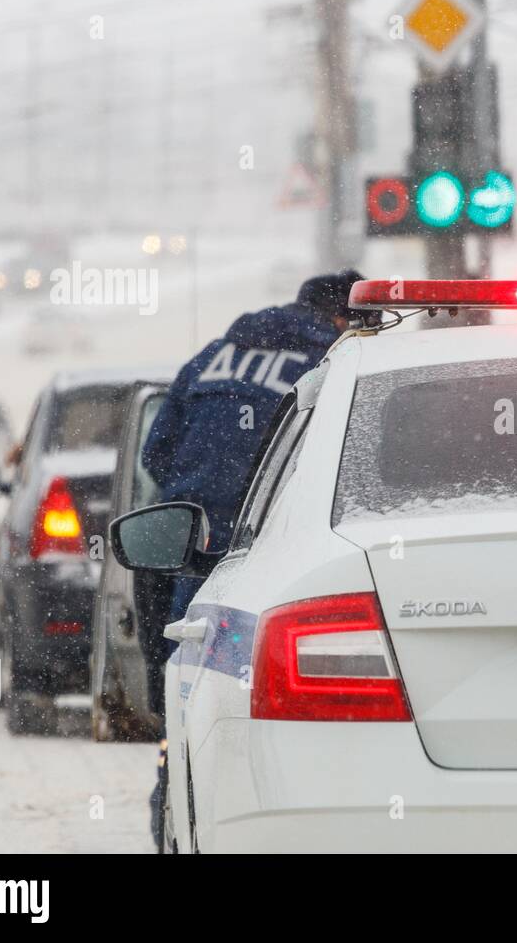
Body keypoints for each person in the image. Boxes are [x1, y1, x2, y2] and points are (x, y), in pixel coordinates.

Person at [139, 268, 363, 848]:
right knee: (255, 708)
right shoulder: (331, 365)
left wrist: (199, 504)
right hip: (273, 560)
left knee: (189, 701)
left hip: (195, 555)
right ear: (341, 318)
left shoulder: (214, 355)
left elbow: (156, 451)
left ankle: (177, 816)